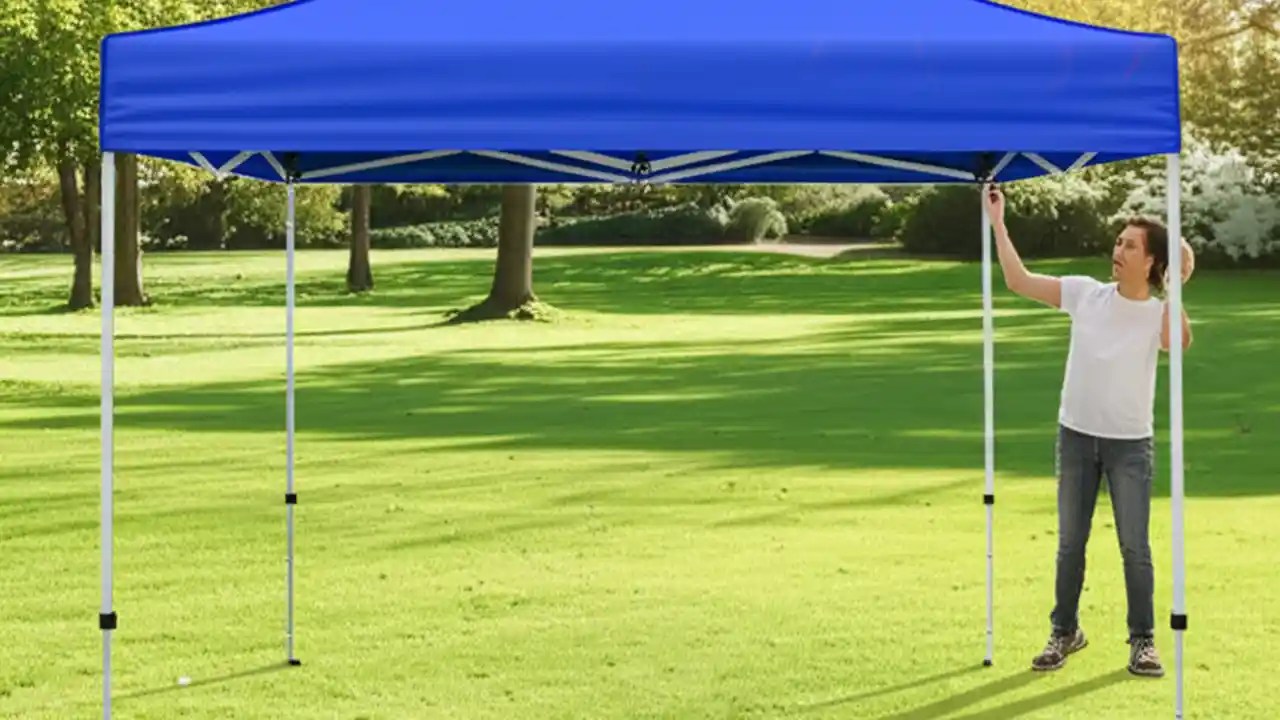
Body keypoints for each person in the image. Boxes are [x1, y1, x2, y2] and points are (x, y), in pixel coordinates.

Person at [981, 182, 1194, 678]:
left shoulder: (1157, 313)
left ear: (1151, 262)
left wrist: (1176, 286)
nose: (1118, 250)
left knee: (1134, 548)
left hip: (1129, 447)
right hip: (1076, 437)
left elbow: (1178, 342)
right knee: (1070, 543)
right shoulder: (1084, 294)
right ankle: (1064, 632)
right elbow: (1018, 280)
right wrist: (998, 222)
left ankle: (1143, 642)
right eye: (1118, 241)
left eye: (1131, 245)